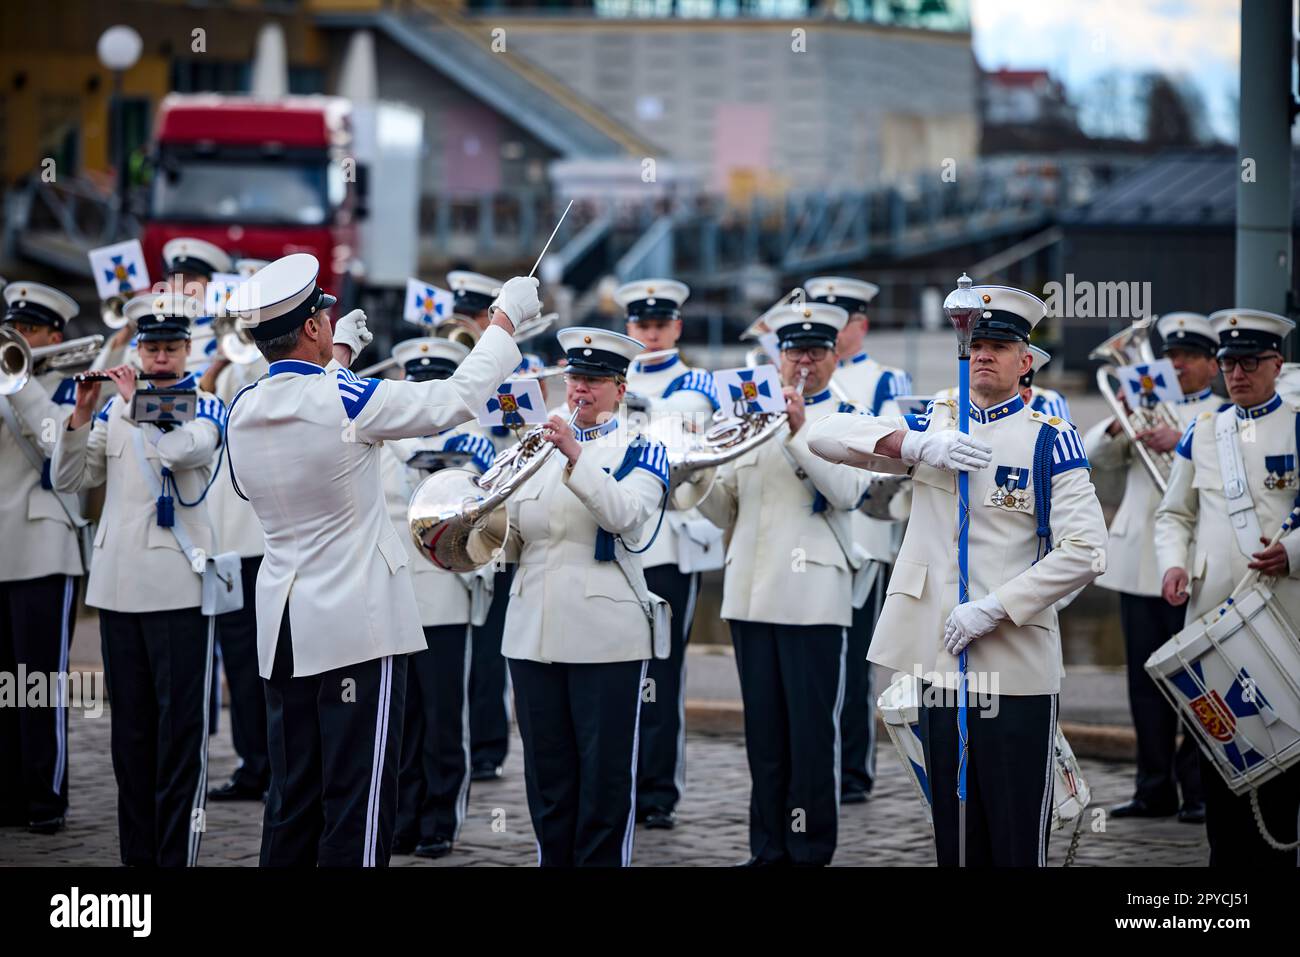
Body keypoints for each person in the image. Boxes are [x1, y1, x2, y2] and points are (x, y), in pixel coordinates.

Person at [224, 254, 535, 867]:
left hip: (284, 626)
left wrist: (335, 362)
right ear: (313, 328)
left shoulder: (244, 409)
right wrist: (502, 323)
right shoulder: (344, 397)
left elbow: (254, 476)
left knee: (293, 797)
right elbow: (453, 398)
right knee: (359, 800)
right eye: (322, 316)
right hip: (353, 629)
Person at [807, 284, 1108, 867]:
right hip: (941, 662)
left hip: (1015, 663)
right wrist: (919, 445)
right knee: (955, 834)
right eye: (975, 344)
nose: (983, 355)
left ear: (1027, 362)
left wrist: (994, 607)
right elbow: (825, 435)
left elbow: (1087, 551)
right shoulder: (939, 422)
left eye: (999, 345)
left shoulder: (1050, 439)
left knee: (1016, 837)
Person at [470, 327, 669, 867]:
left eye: (596, 381)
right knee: (548, 778)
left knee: (603, 781)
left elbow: (626, 517)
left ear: (620, 389)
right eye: (576, 378)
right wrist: (478, 513)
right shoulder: (531, 448)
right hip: (532, 632)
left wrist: (575, 455)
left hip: (607, 638)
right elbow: (514, 538)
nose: (581, 390)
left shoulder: (643, 449)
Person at [689, 301, 872, 867]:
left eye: (816, 352)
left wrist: (798, 432)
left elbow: (847, 494)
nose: (804, 362)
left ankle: (811, 849)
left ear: (834, 358)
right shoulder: (752, 415)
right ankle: (767, 849)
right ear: (780, 356)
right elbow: (726, 511)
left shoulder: (849, 414)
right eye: (795, 351)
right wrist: (699, 463)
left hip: (813, 599)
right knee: (765, 741)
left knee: (813, 738)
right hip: (750, 594)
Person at [52, 291, 226, 867]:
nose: (158, 359)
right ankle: (138, 859)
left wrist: (133, 404)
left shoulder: (206, 407)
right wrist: (80, 416)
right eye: (150, 348)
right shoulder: (112, 411)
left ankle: (176, 856)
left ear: (186, 352)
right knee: (130, 738)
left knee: (180, 737)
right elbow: (71, 476)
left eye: (170, 349)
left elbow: (181, 452)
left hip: (178, 589)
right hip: (120, 587)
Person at [1155, 308, 1300, 867]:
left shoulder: (1297, 424)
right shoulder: (1203, 431)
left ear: (1276, 365)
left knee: (1284, 751)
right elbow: (1175, 515)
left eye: (1249, 362)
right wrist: (1173, 563)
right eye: (1228, 363)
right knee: (1219, 748)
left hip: (1284, 620)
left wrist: (1293, 551)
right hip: (1214, 618)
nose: (1236, 374)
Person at [1086, 312, 1223, 824]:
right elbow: (1096, 458)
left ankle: (1199, 790)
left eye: (1188, 357)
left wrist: (1179, 437)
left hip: (1194, 565)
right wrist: (1121, 420)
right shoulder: (1142, 406)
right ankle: (1153, 789)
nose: (1177, 365)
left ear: (1213, 365)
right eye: (1170, 356)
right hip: (1138, 561)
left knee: (1198, 682)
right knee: (1143, 684)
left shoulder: (1218, 416)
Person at [383, 337, 498, 859]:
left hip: (447, 592)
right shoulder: (387, 438)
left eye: (439, 382)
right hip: (396, 595)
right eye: (419, 381)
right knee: (403, 721)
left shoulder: (474, 444)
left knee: (445, 717)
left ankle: (440, 821)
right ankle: (403, 817)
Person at [618, 278, 720, 829]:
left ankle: (656, 793)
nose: (651, 333)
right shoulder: (611, 372)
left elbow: (682, 431)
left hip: (671, 546)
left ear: (677, 326)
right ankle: (619, 783)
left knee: (663, 673)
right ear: (629, 327)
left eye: (660, 324)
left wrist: (635, 411)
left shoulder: (696, 381)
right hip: (618, 540)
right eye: (641, 324)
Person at [811, 275, 907, 804]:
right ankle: (821, 765)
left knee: (853, 662)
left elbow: (895, 462)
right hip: (811, 540)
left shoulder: (884, 379)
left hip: (864, 536)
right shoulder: (799, 378)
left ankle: (853, 770)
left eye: (837, 321)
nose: (825, 333)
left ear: (859, 325)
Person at [0, 282, 85, 835]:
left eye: (29, 330)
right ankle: (8, 792)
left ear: (54, 336)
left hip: (45, 549)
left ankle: (45, 795)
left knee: (39, 682)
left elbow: (61, 449)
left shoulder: (68, 386)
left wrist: (19, 379)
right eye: (13, 329)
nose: (17, 338)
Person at [448, 268, 520, 781]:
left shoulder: (515, 372)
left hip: (496, 519)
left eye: (475, 318)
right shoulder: (441, 365)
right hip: (447, 518)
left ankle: (489, 745)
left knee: (490, 641)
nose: (468, 328)